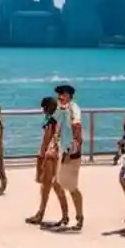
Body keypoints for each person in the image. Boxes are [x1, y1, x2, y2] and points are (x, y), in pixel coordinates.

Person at [25, 97, 66, 227]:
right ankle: (63, 215)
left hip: (49, 155)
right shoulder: (59, 120)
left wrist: (41, 157)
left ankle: (41, 214)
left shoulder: (50, 122)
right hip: (57, 153)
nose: (43, 110)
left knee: (47, 186)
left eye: (44, 107)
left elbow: (46, 140)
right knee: (53, 185)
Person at [52, 83, 85, 230]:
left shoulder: (73, 109)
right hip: (62, 151)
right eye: (59, 94)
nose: (60, 97)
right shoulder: (62, 109)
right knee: (57, 183)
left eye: (63, 94)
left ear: (69, 96)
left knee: (71, 187)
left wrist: (72, 151)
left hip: (71, 154)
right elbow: (59, 128)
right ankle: (66, 216)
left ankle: (79, 217)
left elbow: (77, 127)